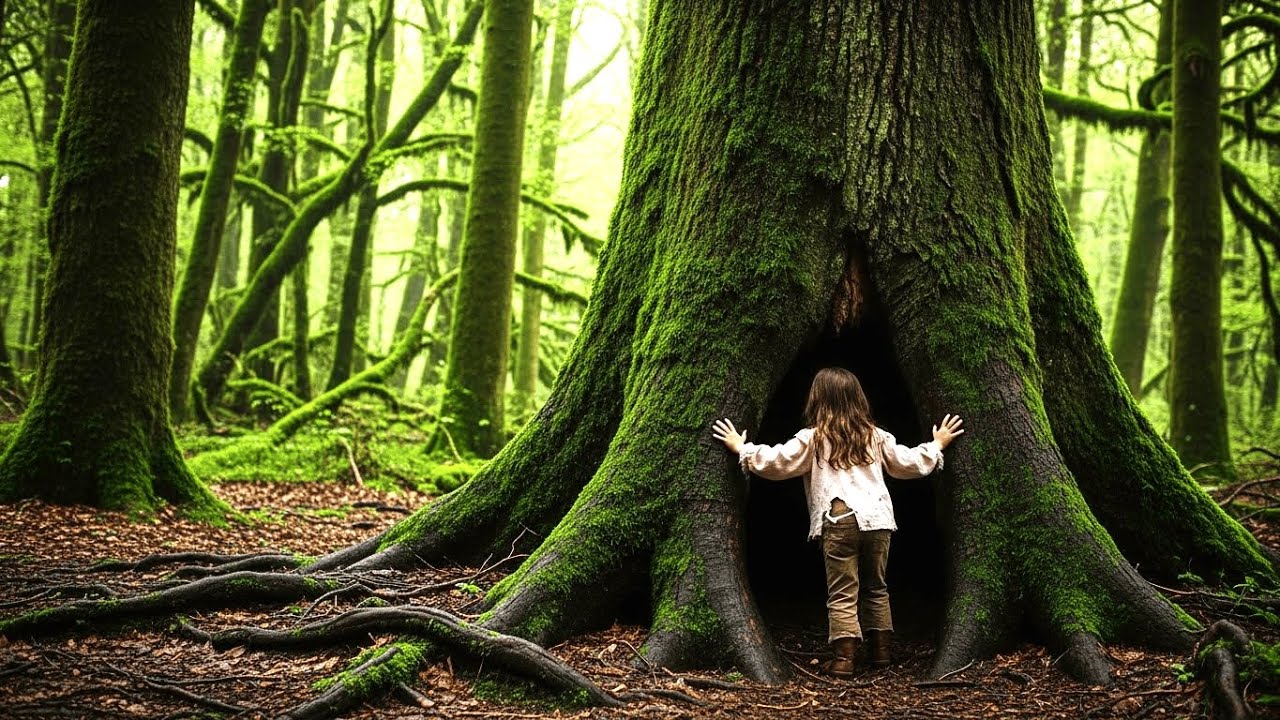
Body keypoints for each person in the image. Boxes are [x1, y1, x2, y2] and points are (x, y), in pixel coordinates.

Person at [712, 367, 963, 677]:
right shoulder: (875, 436)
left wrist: (742, 448)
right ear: (858, 400)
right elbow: (907, 464)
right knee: (877, 587)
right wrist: (936, 445)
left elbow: (777, 462)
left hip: (840, 519)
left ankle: (844, 660)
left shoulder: (813, 438)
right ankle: (881, 654)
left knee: (843, 591)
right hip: (878, 521)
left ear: (817, 400)